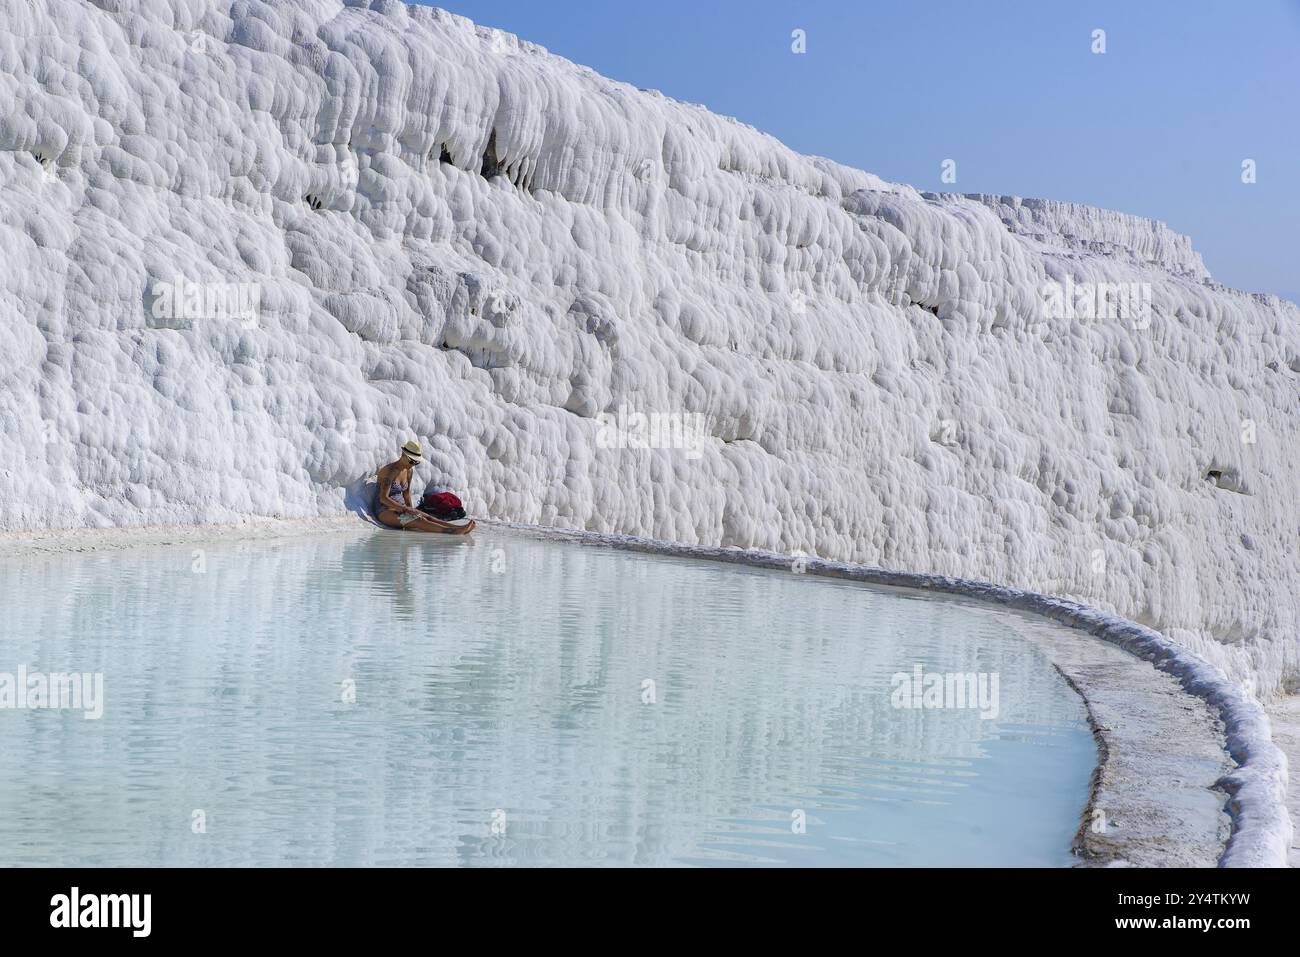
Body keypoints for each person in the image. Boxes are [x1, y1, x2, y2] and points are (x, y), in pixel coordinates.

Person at [374, 440, 457, 533]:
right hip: (385, 510)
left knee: (427, 517)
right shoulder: (390, 471)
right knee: (418, 521)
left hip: (401, 508)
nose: (413, 464)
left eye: (416, 462)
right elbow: (383, 498)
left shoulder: (409, 471)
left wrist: (411, 510)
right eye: (412, 461)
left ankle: (456, 527)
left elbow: (406, 494)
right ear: (403, 455)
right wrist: (405, 509)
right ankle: (450, 531)